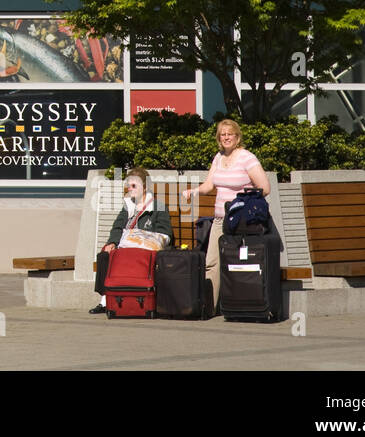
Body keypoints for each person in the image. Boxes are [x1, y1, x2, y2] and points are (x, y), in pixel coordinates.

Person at [181, 118, 271, 313]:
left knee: (240, 262)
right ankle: (209, 307)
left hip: (242, 221)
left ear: (237, 137)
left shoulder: (247, 157)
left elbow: (265, 187)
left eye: (230, 134)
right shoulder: (219, 158)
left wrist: (242, 200)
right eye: (222, 135)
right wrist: (193, 192)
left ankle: (243, 304)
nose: (226, 137)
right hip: (220, 219)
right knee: (211, 262)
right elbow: (209, 185)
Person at [90, 167, 173, 313]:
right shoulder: (128, 206)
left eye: (134, 185)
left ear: (145, 187)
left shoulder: (158, 207)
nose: (130, 188)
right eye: (129, 185)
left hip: (144, 250)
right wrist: (112, 243)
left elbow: (165, 234)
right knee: (104, 255)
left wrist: (141, 237)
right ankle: (105, 300)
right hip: (124, 247)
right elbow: (117, 227)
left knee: (123, 257)